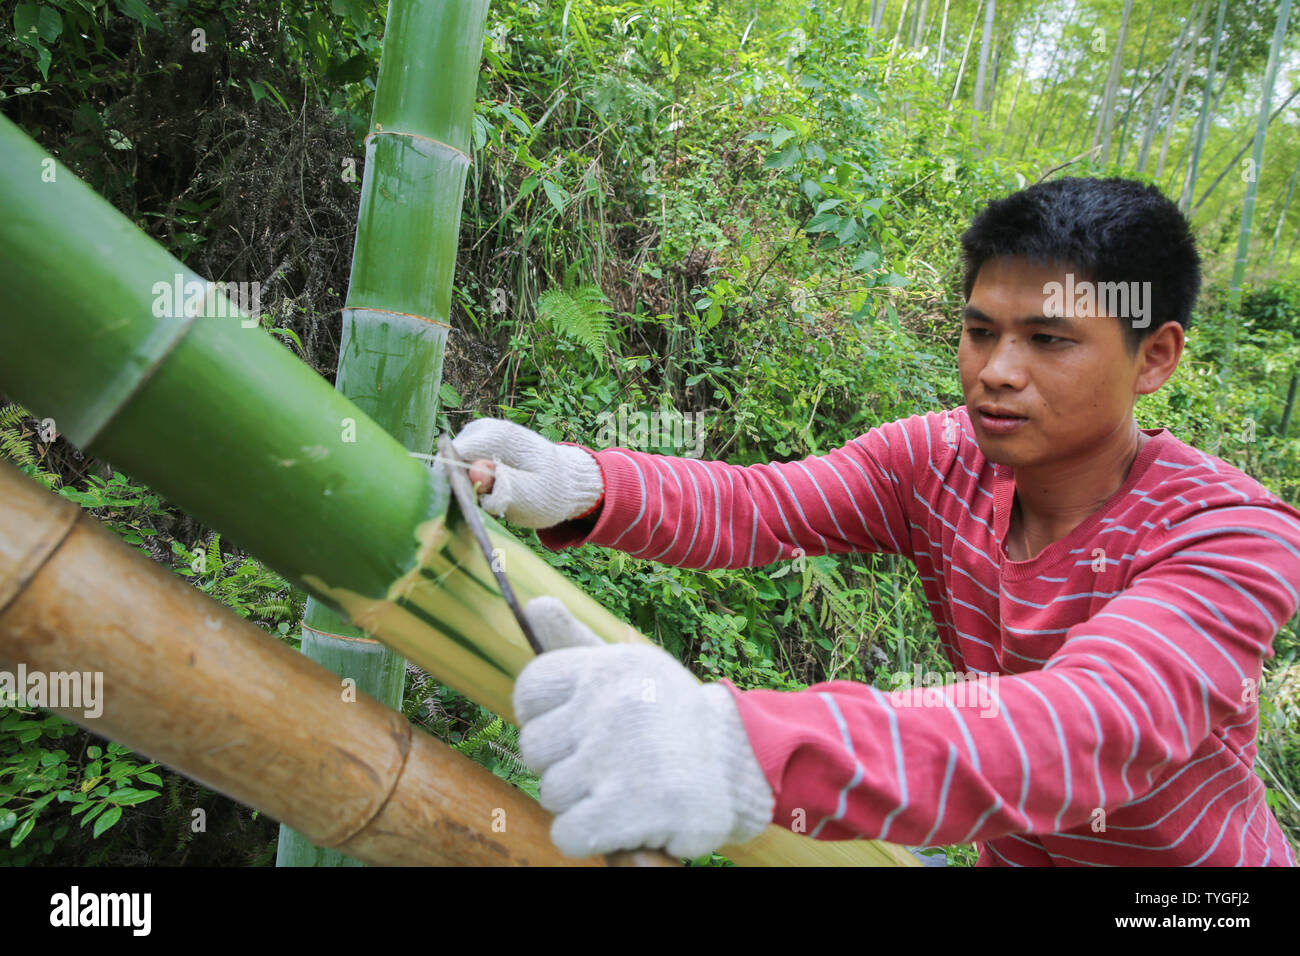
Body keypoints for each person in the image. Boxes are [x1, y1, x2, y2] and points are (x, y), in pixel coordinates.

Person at [450, 177, 1300, 866]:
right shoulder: (938, 461)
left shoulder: (1229, 536)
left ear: (1154, 357)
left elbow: (1089, 725)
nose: (997, 372)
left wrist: (737, 746)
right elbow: (762, 507)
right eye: (979, 331)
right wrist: (582, 482)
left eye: (1049, 340)